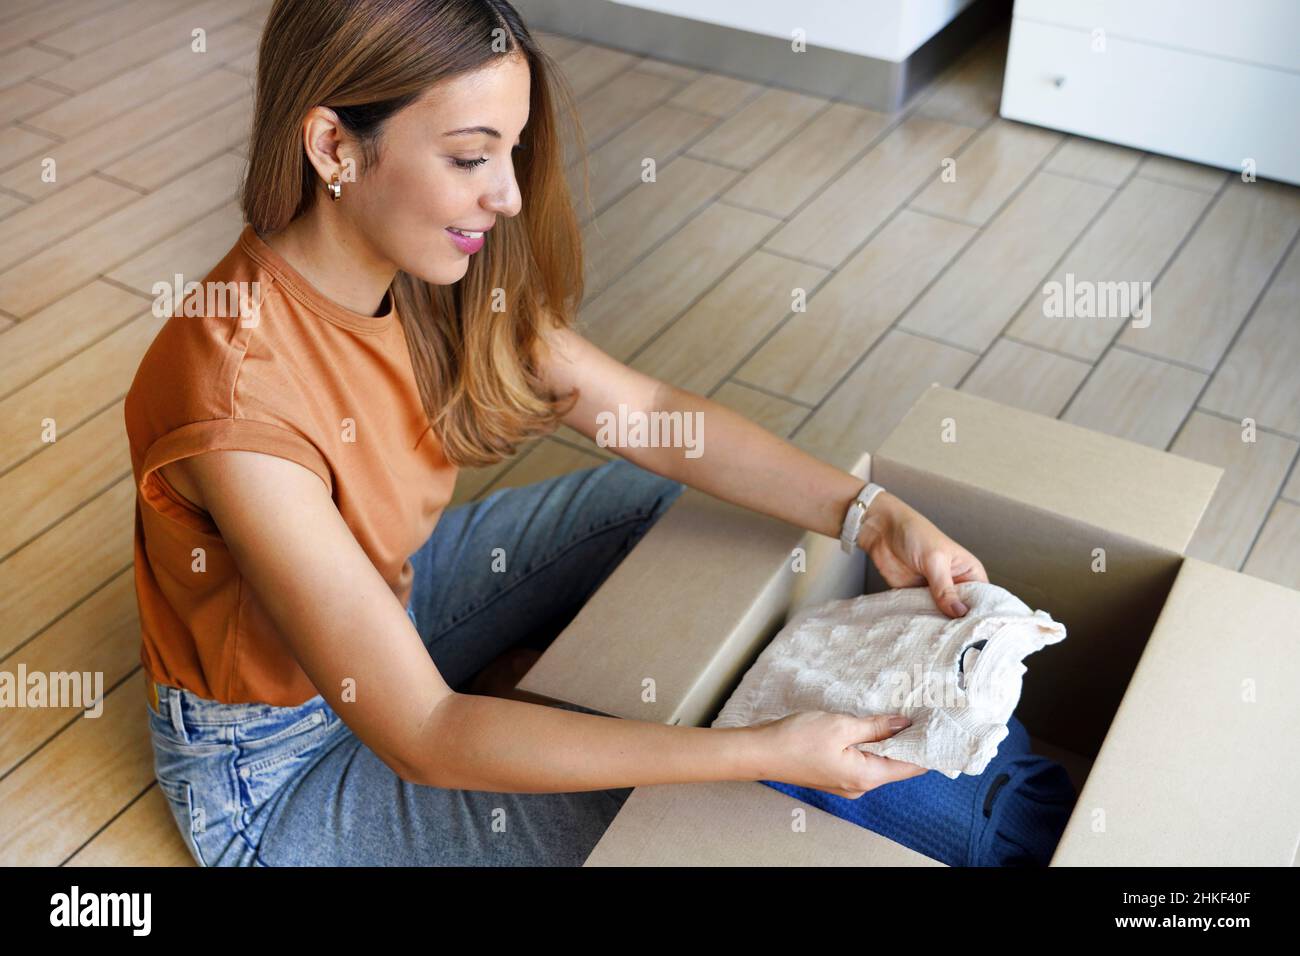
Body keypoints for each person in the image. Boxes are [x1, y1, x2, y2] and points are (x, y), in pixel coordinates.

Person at [124, 0, 988, 867]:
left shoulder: (428, 263)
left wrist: (869, 513)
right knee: (674, 810)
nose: (503, 194)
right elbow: (424, 730)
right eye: (470, 156)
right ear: (333, 147)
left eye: (511, 148)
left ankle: (517, 684)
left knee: (656, 504)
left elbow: (649, 416)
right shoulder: (235, 404)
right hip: (276, 772)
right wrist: (756, 751)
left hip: (396, 603)